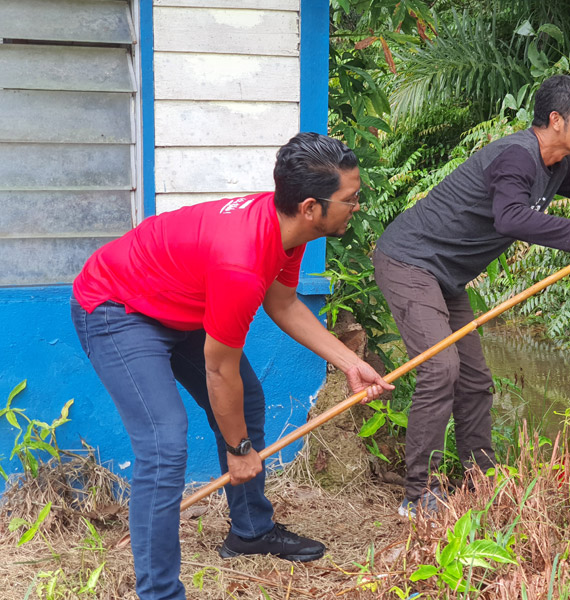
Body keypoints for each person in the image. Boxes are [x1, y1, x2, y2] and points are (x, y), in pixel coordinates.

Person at [70, 132, 393, 600]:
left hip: (176, 300)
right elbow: (217, 370)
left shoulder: (288, 229)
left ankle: (249, 531)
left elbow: (283, 304)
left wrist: (349, 362)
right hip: (118, 307)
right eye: (350, 198)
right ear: (309, 206)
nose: (357, 206)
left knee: (250, 400)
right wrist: (240, 449)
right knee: (164, 445)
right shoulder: (241, 263)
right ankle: (159, 593)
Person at [373, 74, 570, 516]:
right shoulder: (516, 157)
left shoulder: (555, 166)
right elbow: (509, 217)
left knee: (474, 380)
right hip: (410, 263)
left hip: (445, 276)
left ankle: (478, 480)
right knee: (441, 367)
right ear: (557, 119)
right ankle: (419, 495)